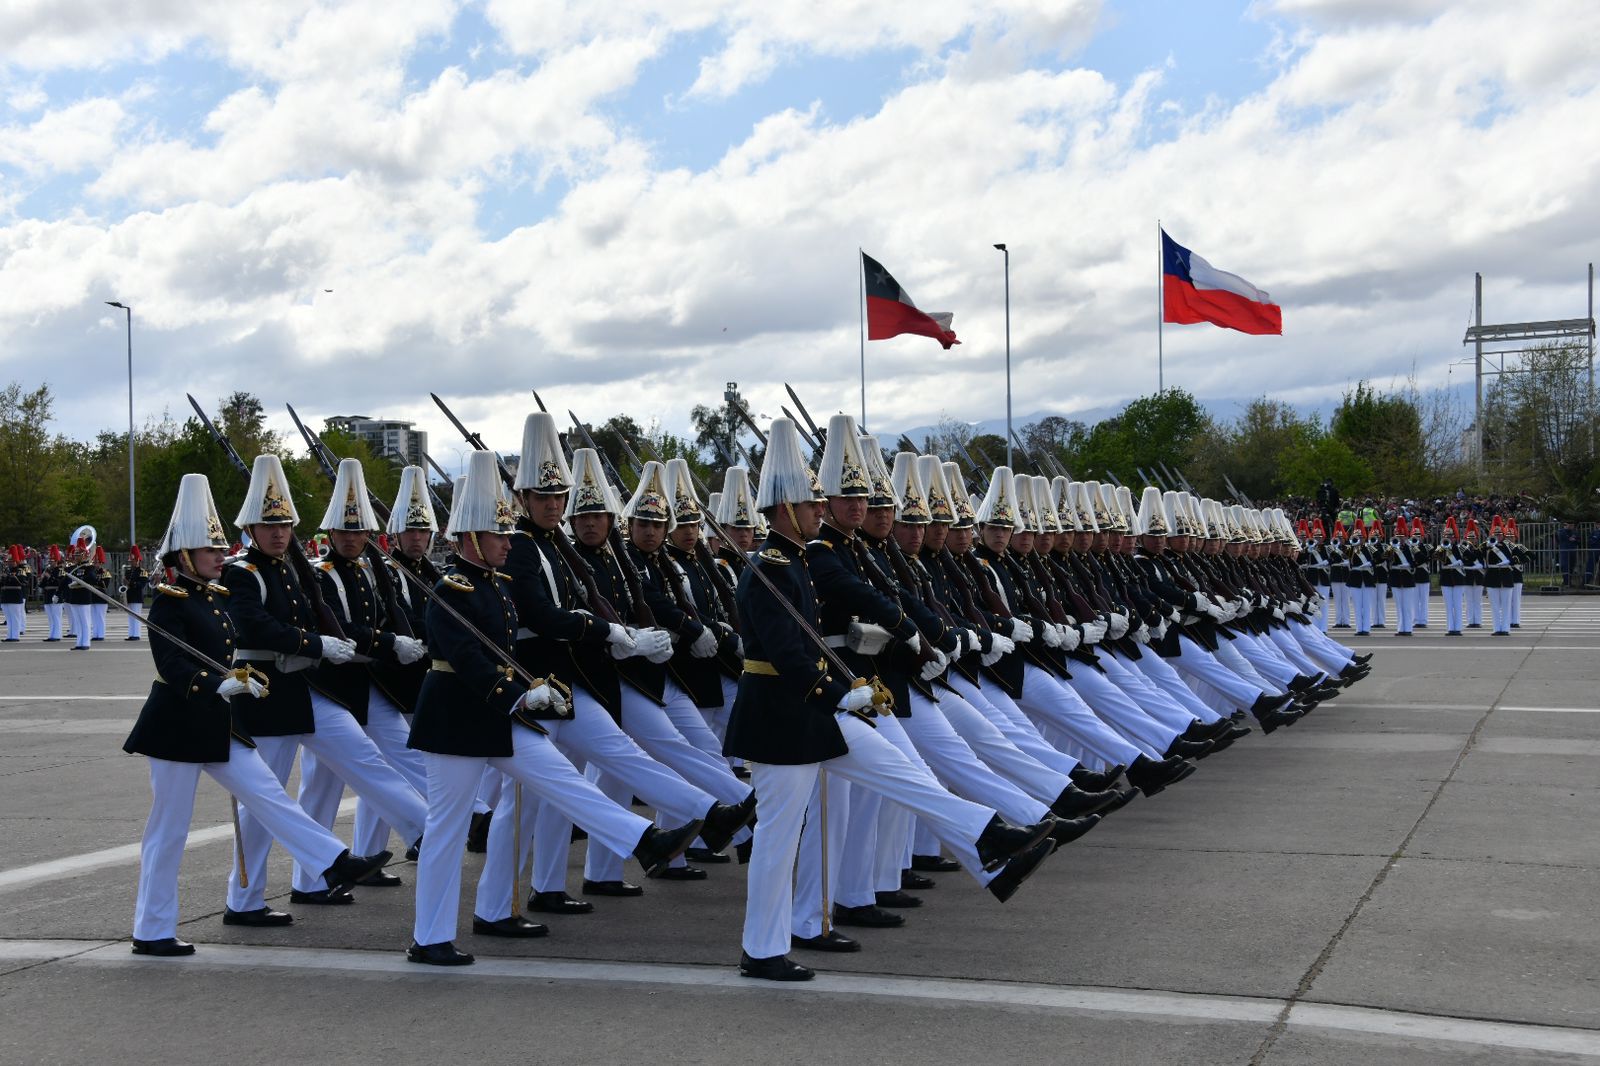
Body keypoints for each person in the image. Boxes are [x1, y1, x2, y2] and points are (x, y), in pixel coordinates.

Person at [725, 419, 1058, 982]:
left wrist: (842, 690)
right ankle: (761, 950)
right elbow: (789, 659)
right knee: (778, 840)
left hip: (817, 713)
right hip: (780, 722)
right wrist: (840, 692)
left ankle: (988, 836)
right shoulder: (769, 570)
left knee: (902, 772)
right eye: (811, 505)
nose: (819, 513)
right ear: (786, 509)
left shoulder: (796, 562)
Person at [405, 450, 703, 966]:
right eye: (497, 537)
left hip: (502, 716)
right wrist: (519, 694)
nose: (506, 543)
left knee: (560, 778)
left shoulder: (497, 586)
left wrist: (530, 686)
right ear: (472, 538)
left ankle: (645, 840)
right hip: (455, 722)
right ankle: (429, 937)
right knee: (447, 831)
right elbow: (469, 662)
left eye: (505, 535)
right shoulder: (448, 588)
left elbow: (512, 650)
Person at [124, 473, 389, 957]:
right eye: (210, 550)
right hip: (176, 726)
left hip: (221, 721)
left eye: (220, 548)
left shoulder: (214, 597)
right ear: (184, 555)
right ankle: (152, 929)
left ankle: (333, 862)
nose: (220, 556)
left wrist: (238, 677)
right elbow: (172, 664)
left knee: (269, 795)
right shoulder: (168, 604)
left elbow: (231, 650)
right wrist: (214, 681)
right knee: (169, 830)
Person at [221, 454, 429, 922]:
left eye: (285, 526)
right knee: (265, 803)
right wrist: (316, 643)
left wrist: (344, 642)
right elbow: (253, 627)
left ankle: (426, 830)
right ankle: (244, 899)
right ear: (250, 530)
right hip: (265, 692)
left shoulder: (293, 571)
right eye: (268, 526)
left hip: (307, 688)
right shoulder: (242, 573)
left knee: (366, 757)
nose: (278, 534)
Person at [123, 545, 150, 640]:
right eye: (130, 561)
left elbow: (141, 585)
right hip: (130, 595)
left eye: (133, 561)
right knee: (130, 617)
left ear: (138, 561)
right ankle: (131, 634)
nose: (131, 563)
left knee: (136, 617)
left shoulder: (142, 572)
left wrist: (130, 583)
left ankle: (136, 634)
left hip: (137, 596)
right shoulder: (128, 571)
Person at [1557, 520, 1578, 587]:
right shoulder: (1561, 531)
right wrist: (1570, 538)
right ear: (1566, 525)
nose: (1572, 526)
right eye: (1570, 525)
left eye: (1573, 525)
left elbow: (1578, 539)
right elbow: (1562, 538)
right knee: (1565, 566)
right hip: (1565, 551)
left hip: (1573, 551)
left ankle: (1569, 582)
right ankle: (1566, 582)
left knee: (1571, 566)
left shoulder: (1574, 532)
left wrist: (1575, 539)